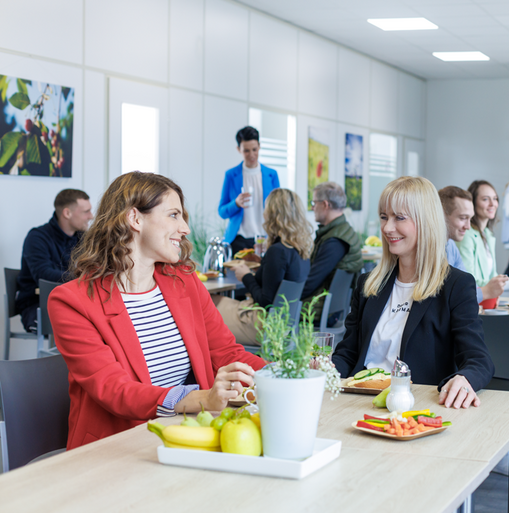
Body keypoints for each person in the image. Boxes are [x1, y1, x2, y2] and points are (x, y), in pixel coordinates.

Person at [47, 172, 266, 449]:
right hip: (115, 449)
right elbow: (115, 390)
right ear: (135, 219)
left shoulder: (184, 281)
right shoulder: (71, 302)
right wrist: (203, 399)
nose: (185, 228)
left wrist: (287, 374)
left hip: (185, 434)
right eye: (174, 215)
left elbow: (226, 352)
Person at [332, 177, 495, 409]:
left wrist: (465, 378)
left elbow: (479, 360)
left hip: (415, 409)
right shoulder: (368, 284)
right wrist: (326, 369)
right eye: (384, 217)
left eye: (399, 217)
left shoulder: (455, 286)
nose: (388, 228)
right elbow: (348, 355)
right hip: (355, 404)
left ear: (425, 221)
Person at [215, 188, 312, 345]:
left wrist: (246, 276)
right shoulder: (300, 251)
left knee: (206, 306)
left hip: (261, 325)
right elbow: (277, 285)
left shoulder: (277, 251)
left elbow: (266, 301)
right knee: (212, 301)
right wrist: (262, 268)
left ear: (273, 215)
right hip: (282, 325)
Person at [16, 189, 93, 332]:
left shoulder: (84, 238)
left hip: (73, 301)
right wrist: (83, 278)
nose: (91, 216)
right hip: (38, 304)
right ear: (67, 213)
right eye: (85, 212)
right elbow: (43, 273)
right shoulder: (37, 237)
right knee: (82, 327)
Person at [457, 180, 509, 293]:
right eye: (485, 199)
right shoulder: (466, 235)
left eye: (495, 199)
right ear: (473, 203)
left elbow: (492, 278)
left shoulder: (488, 235)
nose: (492, 204)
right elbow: (469, 282)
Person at [301, 182, 363, 320]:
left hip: (318, 310)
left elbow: (310, 283)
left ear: (325, 204)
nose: (312, 207)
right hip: (329, 308)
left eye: (314, 202)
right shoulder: (344, 230)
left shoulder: (334, 241)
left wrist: (286, 295)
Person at [218, 126, 281, 254]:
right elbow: (222, 212)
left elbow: (280, 209)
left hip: (265, 239)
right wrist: (236, 203)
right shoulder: (231, 175)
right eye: (246, 151)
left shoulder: (272, 175)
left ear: (259, 146)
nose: (252, 155)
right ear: (238, 149)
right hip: (238, 239)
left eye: (254, 149)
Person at [439, 186, 502, 304]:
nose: (468, 226)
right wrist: (486, 291)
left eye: (470, 219)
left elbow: (466, 286)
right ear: (441, 215)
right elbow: (448, 298)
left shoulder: (451, 246)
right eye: (463, 218)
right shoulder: (429, 249)